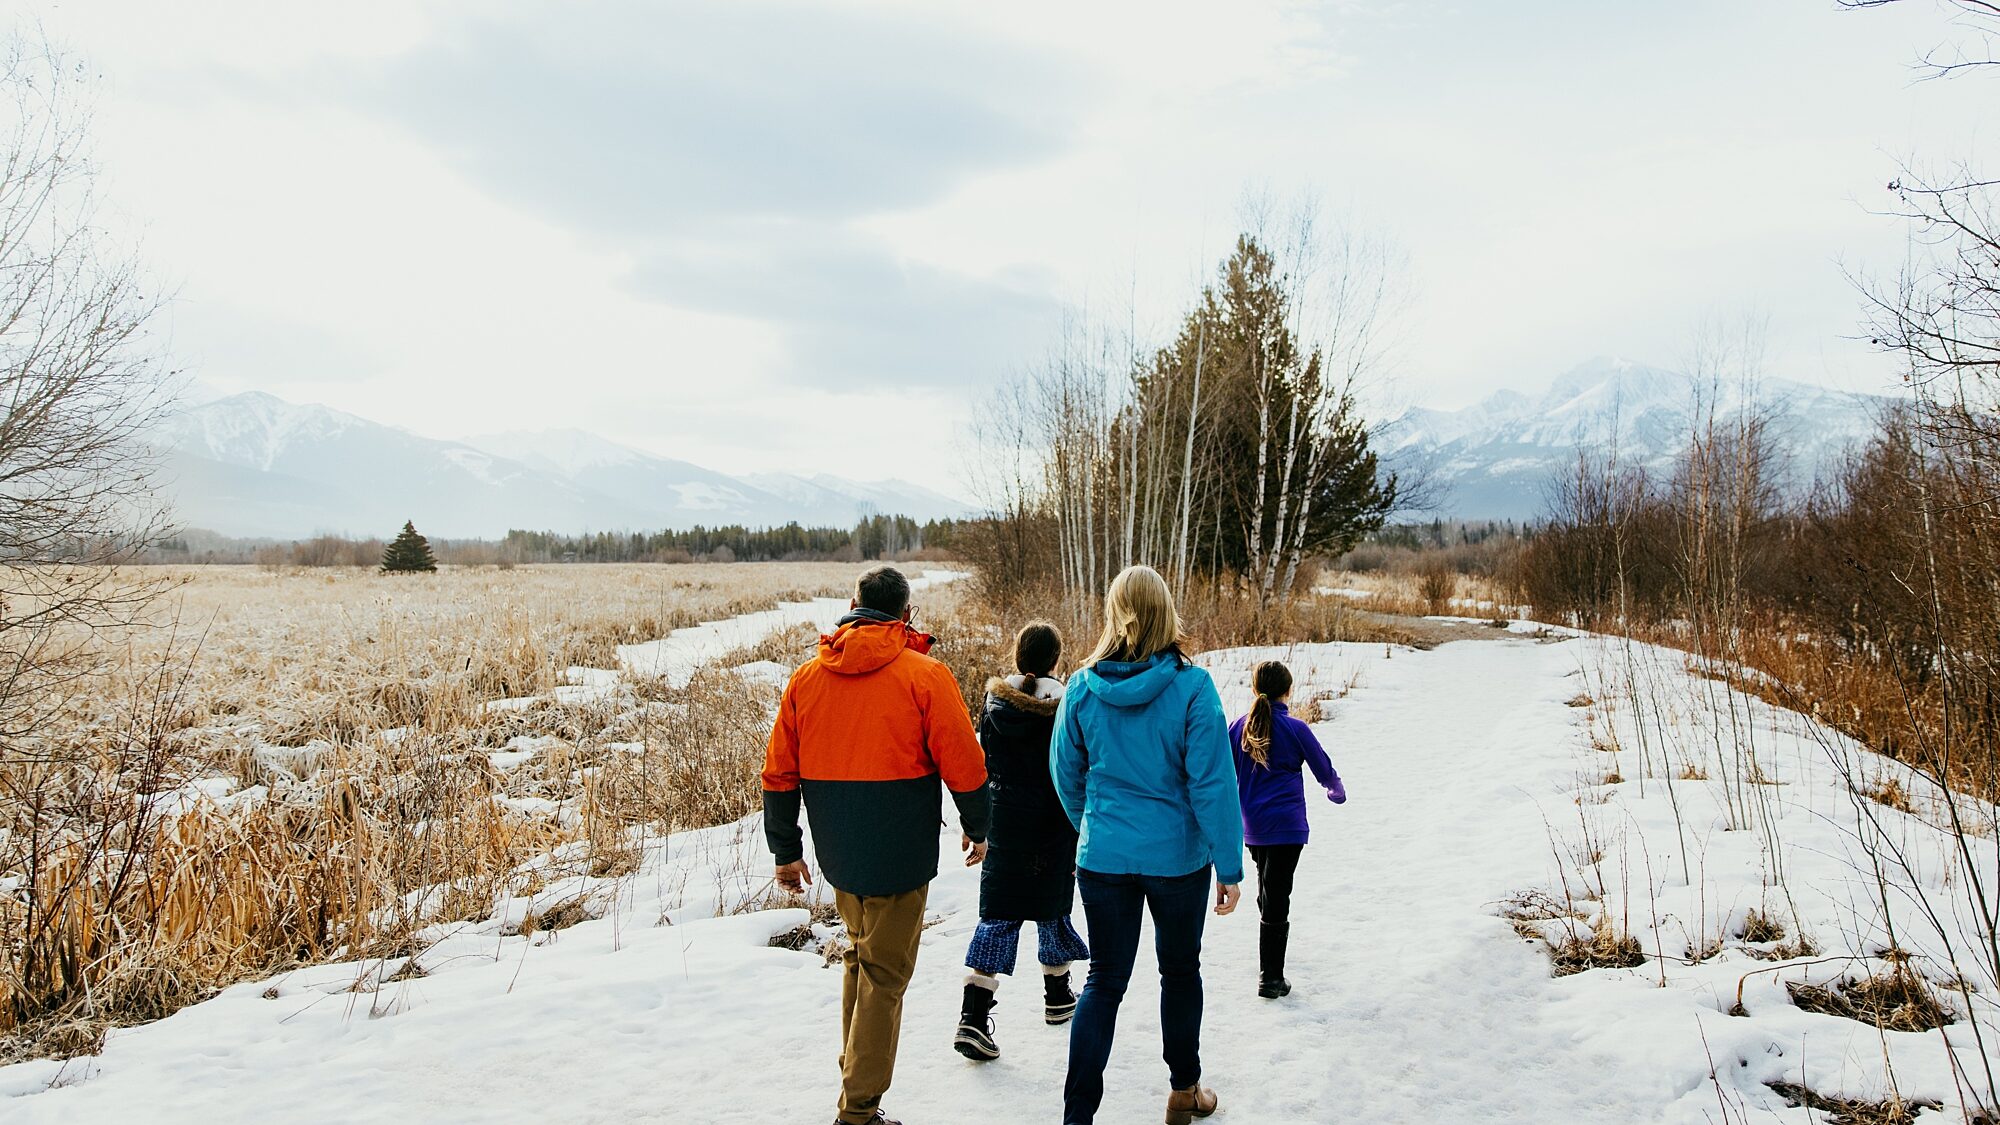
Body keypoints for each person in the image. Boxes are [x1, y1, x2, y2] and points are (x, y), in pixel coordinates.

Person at [763, 565, 992, 1125]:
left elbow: (779, 772)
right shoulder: (926, 676)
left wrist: (786, 849)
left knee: (861, 959)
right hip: (900, 852)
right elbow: (965, 762)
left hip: (839, 852)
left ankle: (855, 1085)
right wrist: (978, 824)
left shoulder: (806, 679)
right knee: (884, 975)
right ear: (906, 615)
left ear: (853, 607)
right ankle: (859, 1111)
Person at [1051, 565, 1245, 1125]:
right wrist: (1229, 865)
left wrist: (1093, 827)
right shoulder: (1193, 687)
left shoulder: (1081, 688)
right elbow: (1212, 783)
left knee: (1104, 980)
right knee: (1180, 972)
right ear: (1166, 612)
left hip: (1104, 858)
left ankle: (1077, 1117)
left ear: (1113, 614)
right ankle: (1185, 1090)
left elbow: (1065, 774)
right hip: (1176, 860)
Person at [954, 621, 1090, 1062]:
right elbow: (1076, 769)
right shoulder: (1067, 706)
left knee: (998, 915)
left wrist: (978, 822)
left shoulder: (994, 705)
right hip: (1054, 825)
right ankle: (1058, 995)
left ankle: (973, 1017)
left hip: (1005, 825)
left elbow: (984, 767)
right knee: (1053, 910)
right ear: (1056, 660)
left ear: (1017, 657)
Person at [1229, 660, 1345, 999]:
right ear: (1288, 691)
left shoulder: (1237, 728)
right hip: (1287, 826)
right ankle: (1271, 977)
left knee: (1269, 890)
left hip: (1253, 825)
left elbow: (1223, 772)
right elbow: (1322, 766)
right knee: (1276, 894)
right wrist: (1335, 788)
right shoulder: (1295, 728)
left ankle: (1271, 955)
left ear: (1255, 689)